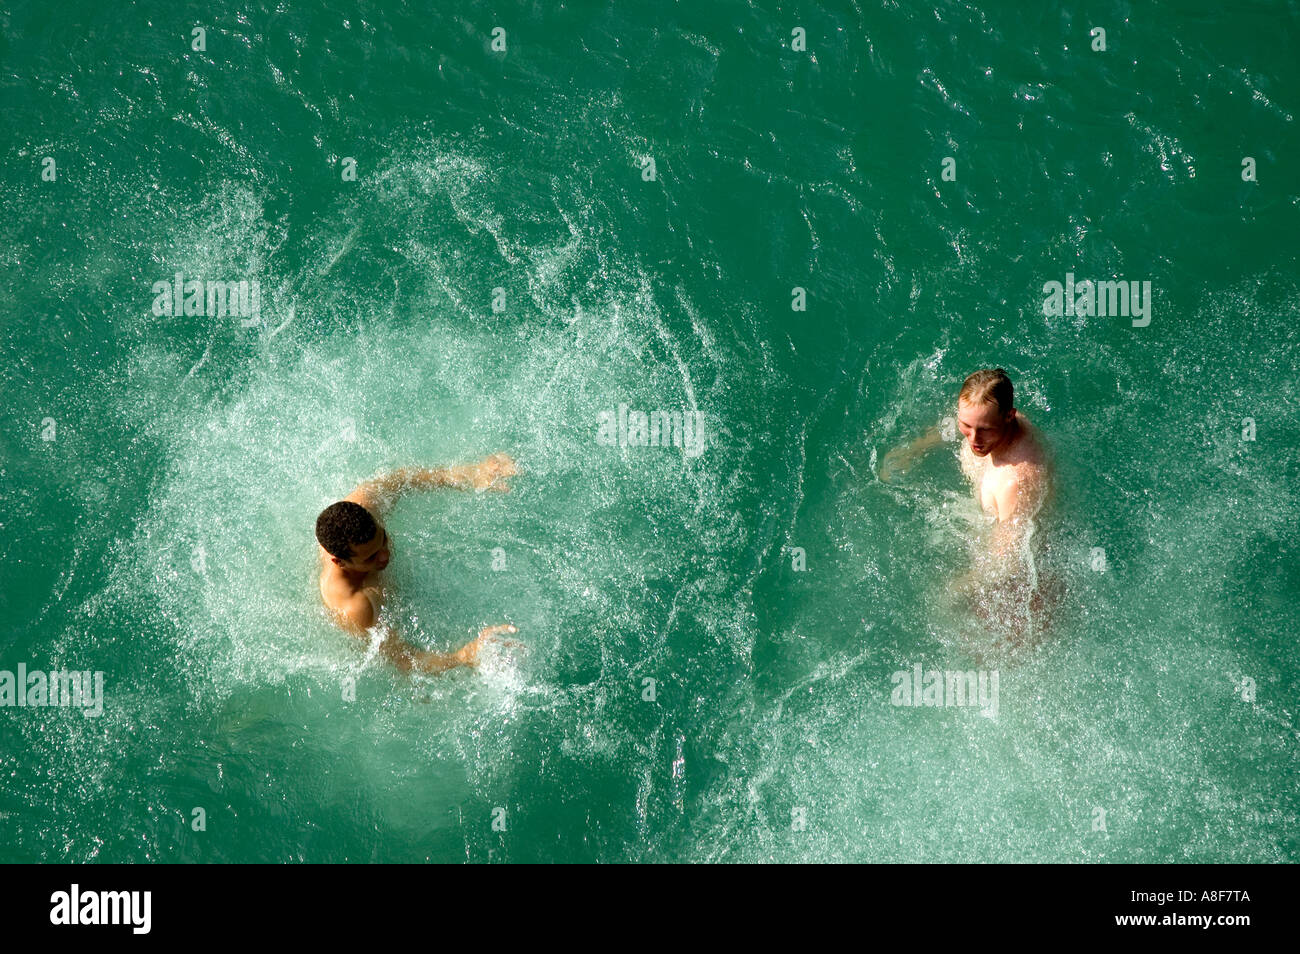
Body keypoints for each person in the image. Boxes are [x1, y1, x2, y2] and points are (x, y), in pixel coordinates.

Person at [880, 369, 1054, 644]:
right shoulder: (988, 421)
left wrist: (952, 592)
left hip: (1030, 582)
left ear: (1010, 416)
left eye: (984, 429)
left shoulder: (1016, 481)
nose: (973, 439)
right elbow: (963, 423)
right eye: (966, 426)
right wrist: (915, 449)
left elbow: (1005, 562)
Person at [315, 453, 520, 673]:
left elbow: (400, 479)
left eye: (383, 540)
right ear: (341, 562)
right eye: (371, 558)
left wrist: (469, 474)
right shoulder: (355, 606)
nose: (385, 555)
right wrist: (466, 656)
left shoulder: (362, 511)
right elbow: (406, 662)